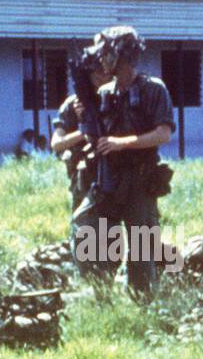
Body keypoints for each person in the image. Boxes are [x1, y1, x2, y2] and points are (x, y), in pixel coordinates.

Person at [71, 26, 174, 296]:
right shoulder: (104, 93)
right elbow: (97, 139)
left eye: (107, 53)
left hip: (140, 180)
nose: (102, 60)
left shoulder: (154, 89)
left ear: (122, 56)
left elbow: (163, 133)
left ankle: (143, 307)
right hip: (109, 180)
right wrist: (85, 119)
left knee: (142, 251)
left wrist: (123, 143)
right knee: (91, 234)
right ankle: (100, 295)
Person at [52, 63, 113, 211]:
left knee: (111, 230)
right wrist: (84, 129)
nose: (101, 76)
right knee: (83, 227)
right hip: (83, 177)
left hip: (115, 173)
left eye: (105, 72)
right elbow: (57, 144)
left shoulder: (116, 100)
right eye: (96, 71)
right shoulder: (72, 105)